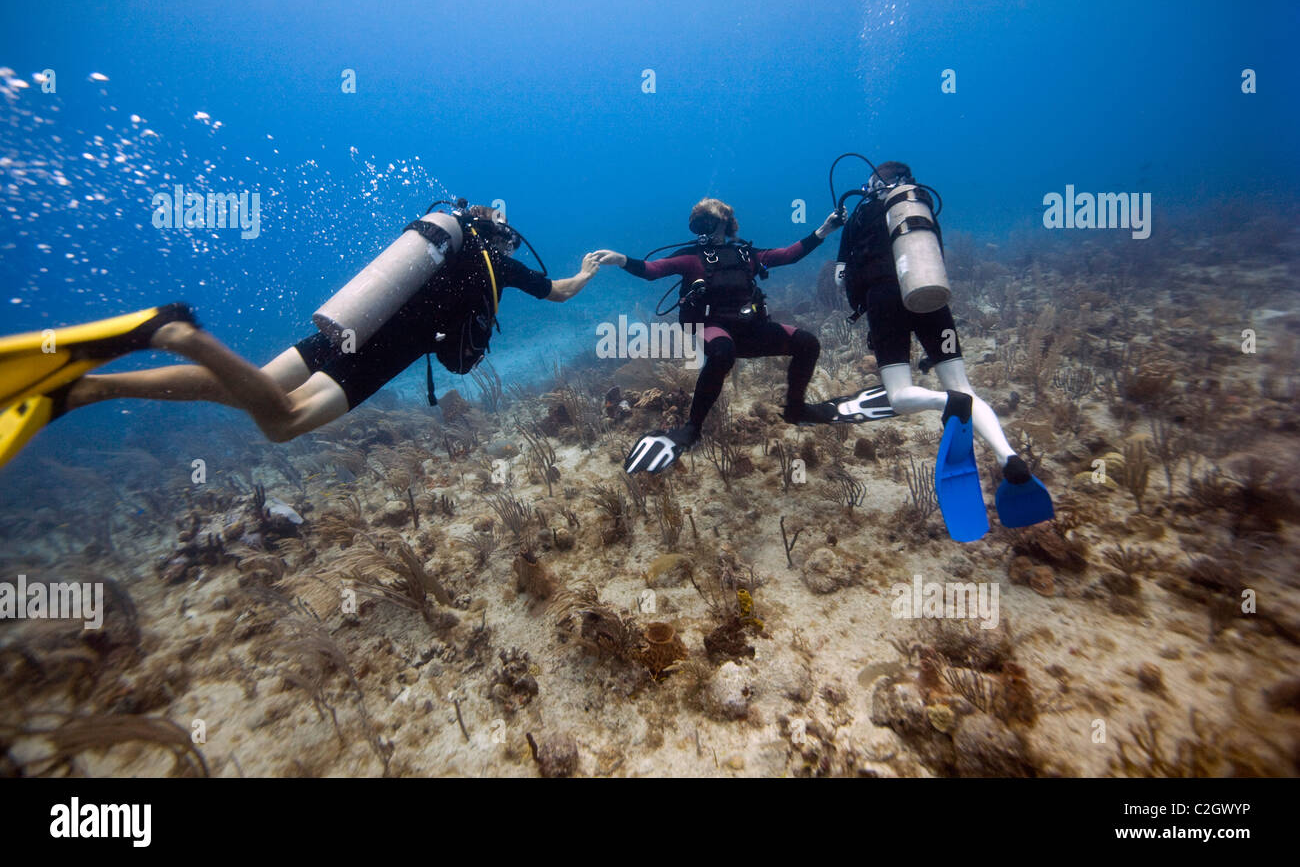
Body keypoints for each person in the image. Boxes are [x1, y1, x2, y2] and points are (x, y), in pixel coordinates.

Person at [0, 204, 600, 467]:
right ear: (500, 237)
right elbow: (564, 290)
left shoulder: (434, 249)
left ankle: (83, 391)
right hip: (378, 353)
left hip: (348, 323)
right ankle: (175, 334)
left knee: (256, 387)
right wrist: (590, 269)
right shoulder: (497, 265)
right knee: (280, 421)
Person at [831, 160, 1052, 535]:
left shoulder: (863, 211)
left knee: (899, 396)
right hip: (931, 298)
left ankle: (943, 404)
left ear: (872, 182)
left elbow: (840, 277)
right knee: (963, 386)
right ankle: (1009, 457)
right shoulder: (917, 205)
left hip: (885, 302)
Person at [592, 197, 845, 473]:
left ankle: (796, 409)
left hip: (750, 329)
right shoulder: (690, 256)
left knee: (807, 343)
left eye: (708, 221)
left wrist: (824, 230)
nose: (703, 229)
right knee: (723, 354)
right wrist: (621, 260)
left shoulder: (746, 254)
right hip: (712, 327)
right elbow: (653, 271)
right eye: (698, 225)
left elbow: (788, 255)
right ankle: (692, 428)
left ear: (725, 221)